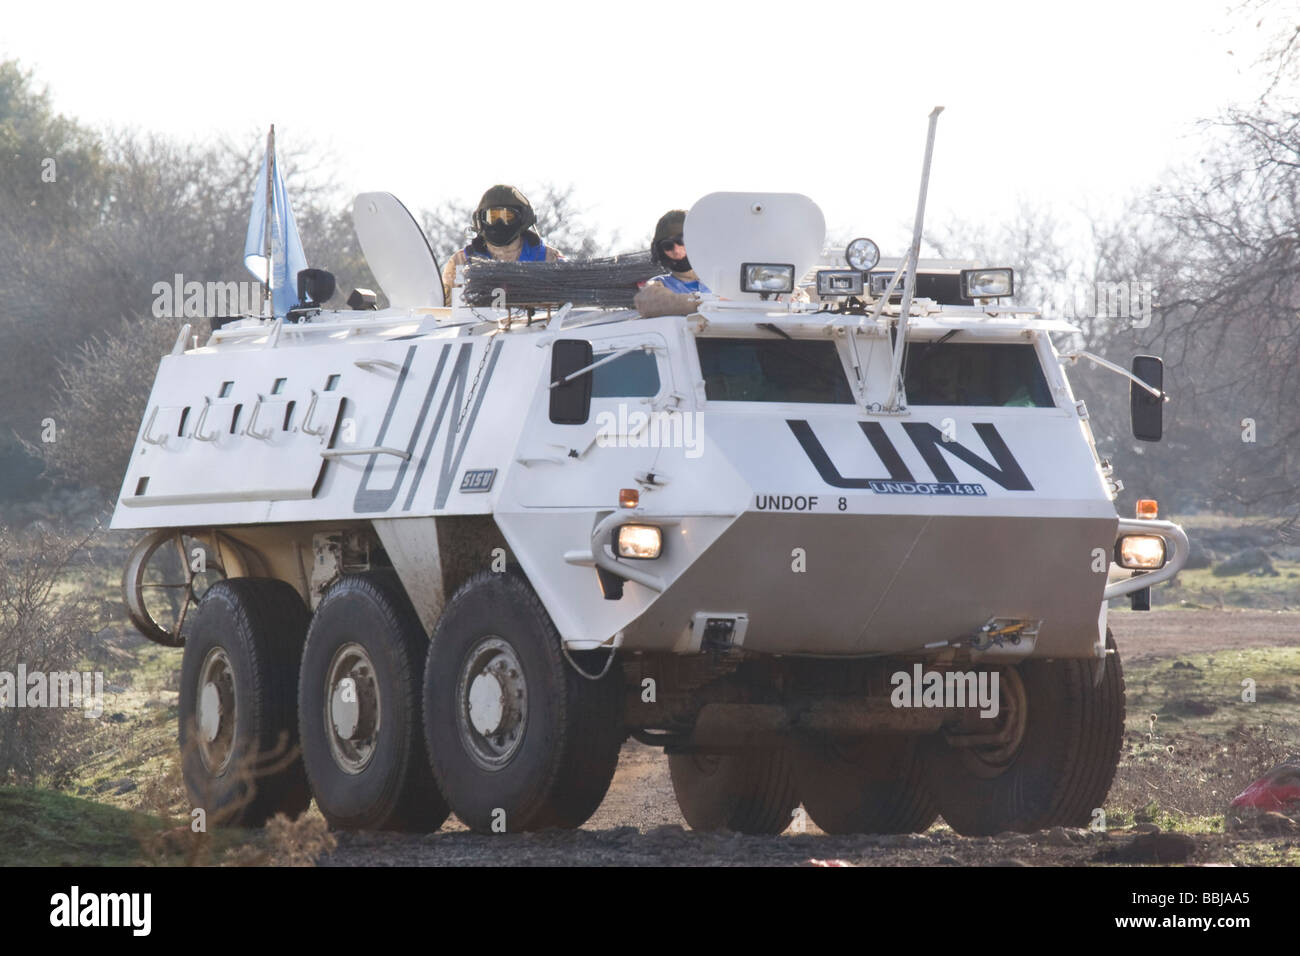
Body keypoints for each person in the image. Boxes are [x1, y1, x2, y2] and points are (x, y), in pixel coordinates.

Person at [441, 185, 562, 305]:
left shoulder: (549, 259)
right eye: (492, 217)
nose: (499, 223)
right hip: (476, 324)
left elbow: (570, 310)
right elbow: (441, 310)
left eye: (507, 217)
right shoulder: (461, 261)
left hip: (537, 323)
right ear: (480, 220)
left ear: (523, 218)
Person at [633, 209, 711, 318]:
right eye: (668, 245)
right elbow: (649, 302)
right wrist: (705, 303)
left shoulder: (721, 279)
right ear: (661, 251)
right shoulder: (658, 284)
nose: (676, 250)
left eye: (681, 240)